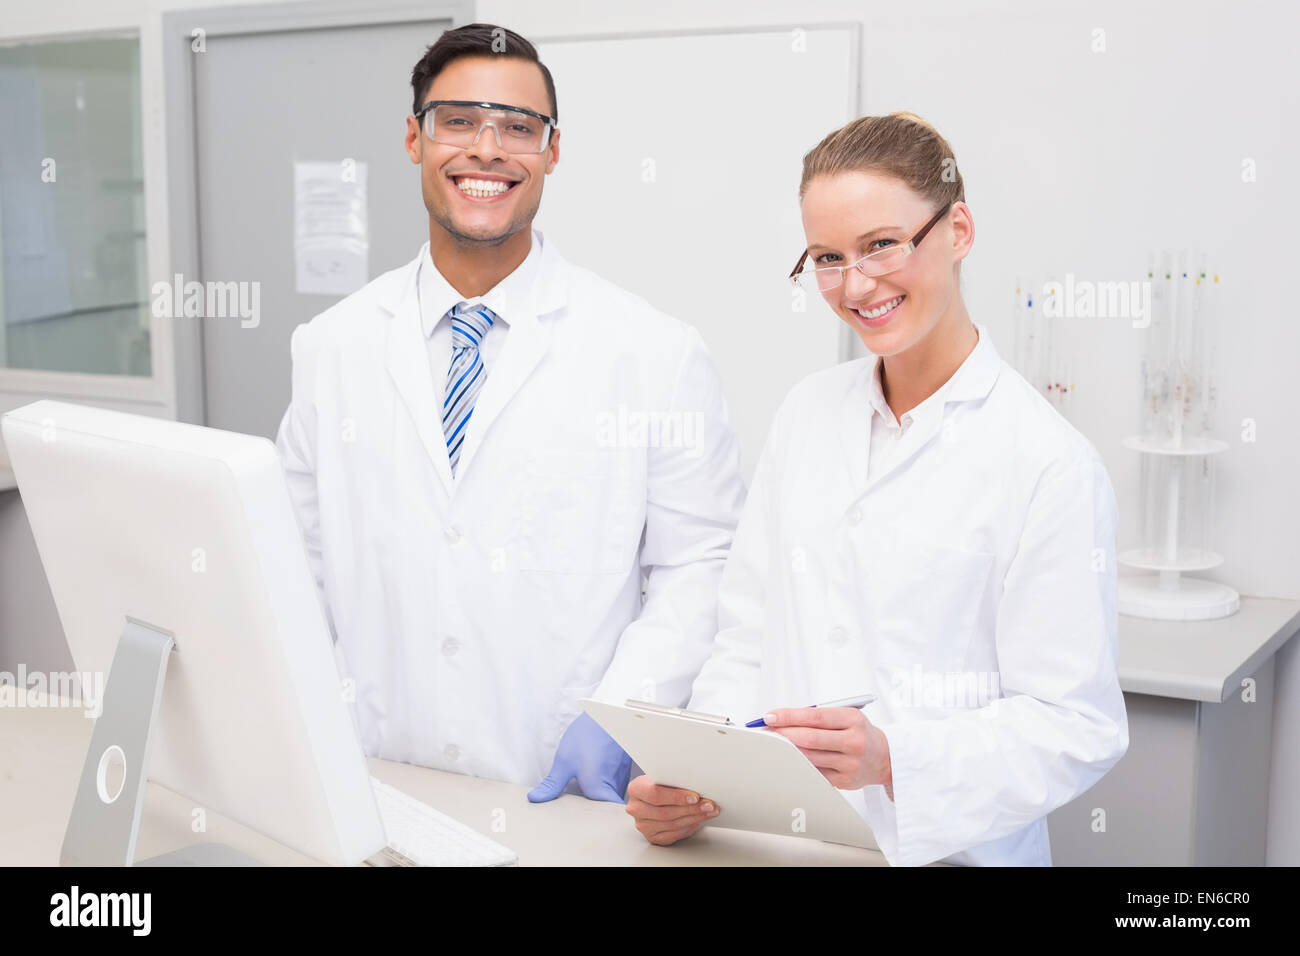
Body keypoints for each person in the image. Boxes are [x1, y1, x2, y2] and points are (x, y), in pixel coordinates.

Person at [624, 112, 1128, 865]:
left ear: (957, 229)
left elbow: (1074, 725)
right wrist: (702, 776)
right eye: (827, 257)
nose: (856, 285)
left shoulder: (1047, 462)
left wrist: (896, 759)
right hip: (783, 846)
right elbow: (748, 634)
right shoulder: (806, 413)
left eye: (882, 246)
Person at [275, 23, 745, 802]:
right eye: (457, 120)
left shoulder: (652, 353)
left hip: (561, 794)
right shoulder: (333, 347)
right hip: (375, 783)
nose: (487, 149)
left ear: (552, 151)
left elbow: (701, 564)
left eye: (518, 128)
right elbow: (295, 564)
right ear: (414, 139)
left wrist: (626, 713)